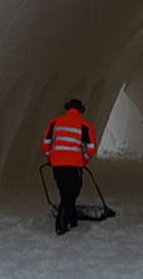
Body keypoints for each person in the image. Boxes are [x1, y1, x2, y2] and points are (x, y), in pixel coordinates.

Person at [41, 98, 97, 235]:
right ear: (80, 110)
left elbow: (45, 143)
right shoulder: (84, 125)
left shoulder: (54, 122)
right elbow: (91, 148)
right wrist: (84, 161)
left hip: (58, 164)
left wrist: (50, 158)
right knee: (72, 191)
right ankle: (61, 223)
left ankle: (72, 219)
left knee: (64, 190)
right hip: (73, 163)